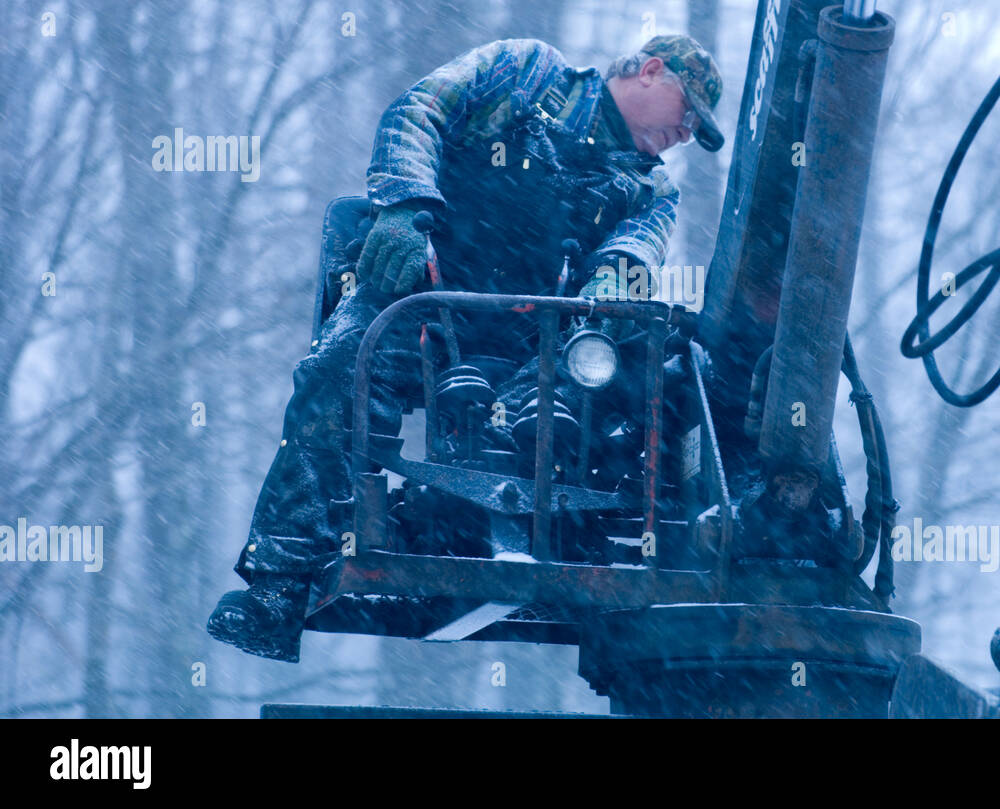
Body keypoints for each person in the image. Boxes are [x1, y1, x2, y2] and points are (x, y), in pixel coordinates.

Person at [206, 34, 725, 662]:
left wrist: (597, 312)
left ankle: (567, 548)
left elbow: (629, 264)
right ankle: (278, 588)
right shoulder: (528, 73)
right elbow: (419, 109)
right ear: (649, 71)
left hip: (542, 338)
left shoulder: (650, 190)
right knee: (338, 368)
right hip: (422, 292)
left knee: (623, 386)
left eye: (697, 128)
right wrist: (403, 208)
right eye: (688, 111)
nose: (686, 132)